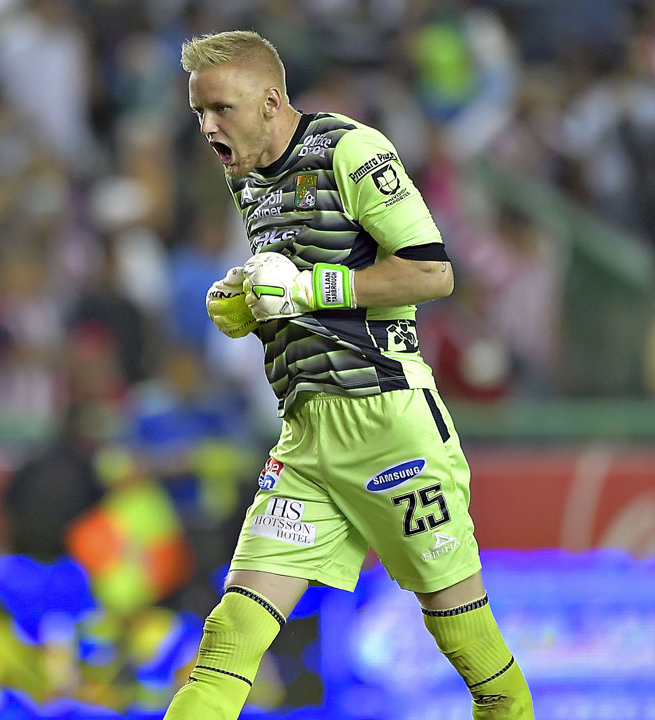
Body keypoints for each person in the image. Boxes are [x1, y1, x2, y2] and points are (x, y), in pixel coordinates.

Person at [167, 31, 532, 719]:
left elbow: (431, 271)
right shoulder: (245, 177)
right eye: (197, 113)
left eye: (220, 108)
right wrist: (247, 301)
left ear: (270, 101)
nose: (208, 127)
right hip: (306, 442)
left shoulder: (351, 150)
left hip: (389, 426)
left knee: (471, 649)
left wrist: (306, 290)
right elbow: (291, 282)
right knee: (229, 637)